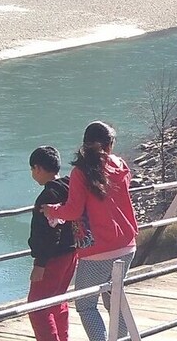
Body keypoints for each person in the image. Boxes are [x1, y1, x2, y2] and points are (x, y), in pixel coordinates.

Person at [42, 121, 137, 341]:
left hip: (97, 250)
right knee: (115, 298)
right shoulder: (120, 165)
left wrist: (51, 209)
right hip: (127, 243)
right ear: (109, 144)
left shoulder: (80, 173)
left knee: (85, 305)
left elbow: (74, 211)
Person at [26, 146, 77, 341]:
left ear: (38, 168)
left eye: (32, 169)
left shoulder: (48, 197)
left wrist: (40, 264)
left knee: (37, 306)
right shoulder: (70, 187)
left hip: (53, 258)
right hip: (72, 252)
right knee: (57, 301)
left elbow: (48, 233)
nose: (33, 174)